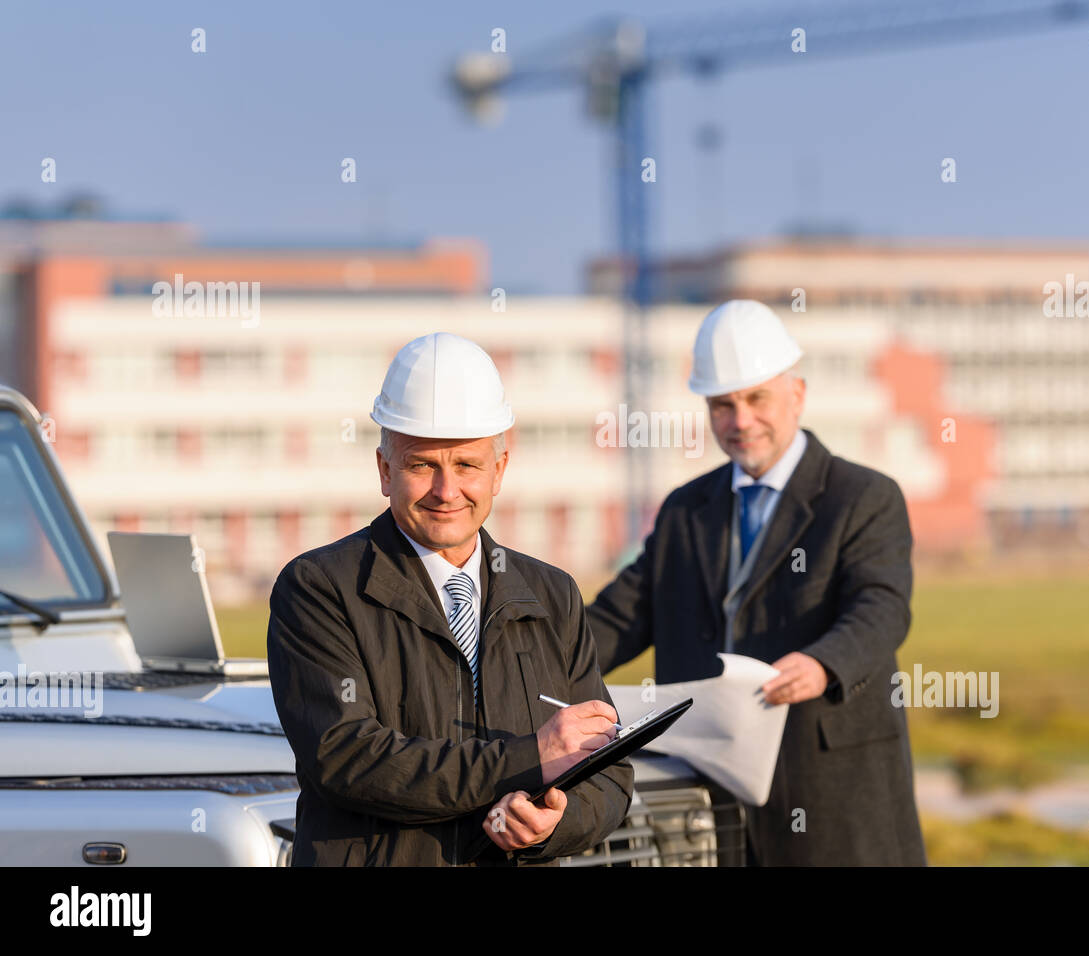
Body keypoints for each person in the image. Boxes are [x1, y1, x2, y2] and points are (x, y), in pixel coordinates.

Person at [267, 332, 632, 866]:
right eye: (422, 465)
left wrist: (553, 822)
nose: (446, 490)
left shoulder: (554, 596)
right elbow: (347, 759)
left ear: (499, 471)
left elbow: (610, 773)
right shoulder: (319, 589)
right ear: (385, 471)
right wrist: (530, 759)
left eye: (466, 465)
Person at [587, 300, 926, 866]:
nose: (740, 420)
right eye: (723, 404)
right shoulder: (685, 511)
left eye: (756, 398)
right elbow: (620, 618)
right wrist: (524, 675)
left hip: (835, 798)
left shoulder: (864, 498)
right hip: (713, 797)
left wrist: (823, 663)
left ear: (797, 393)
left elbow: (882, 607)